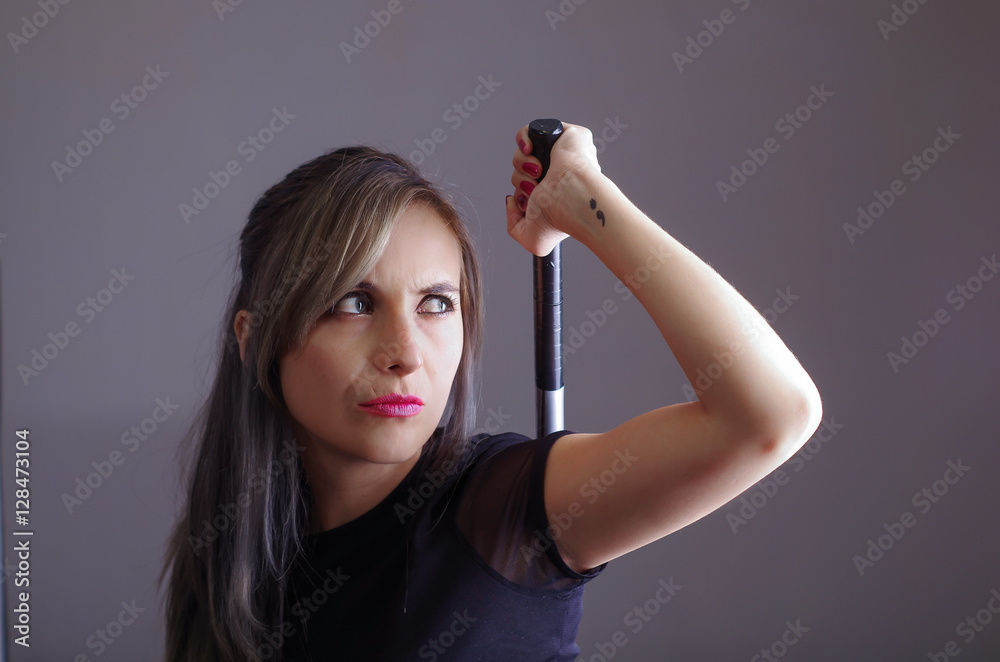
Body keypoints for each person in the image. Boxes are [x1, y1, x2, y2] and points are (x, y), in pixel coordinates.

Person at [160, 122, 822, 661]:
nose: (405, 353)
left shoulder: (507, 512)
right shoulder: (225, 555)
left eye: (436, 304)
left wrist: (589, 202)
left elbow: (772, 413)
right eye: (355, 303)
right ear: (255, 340)